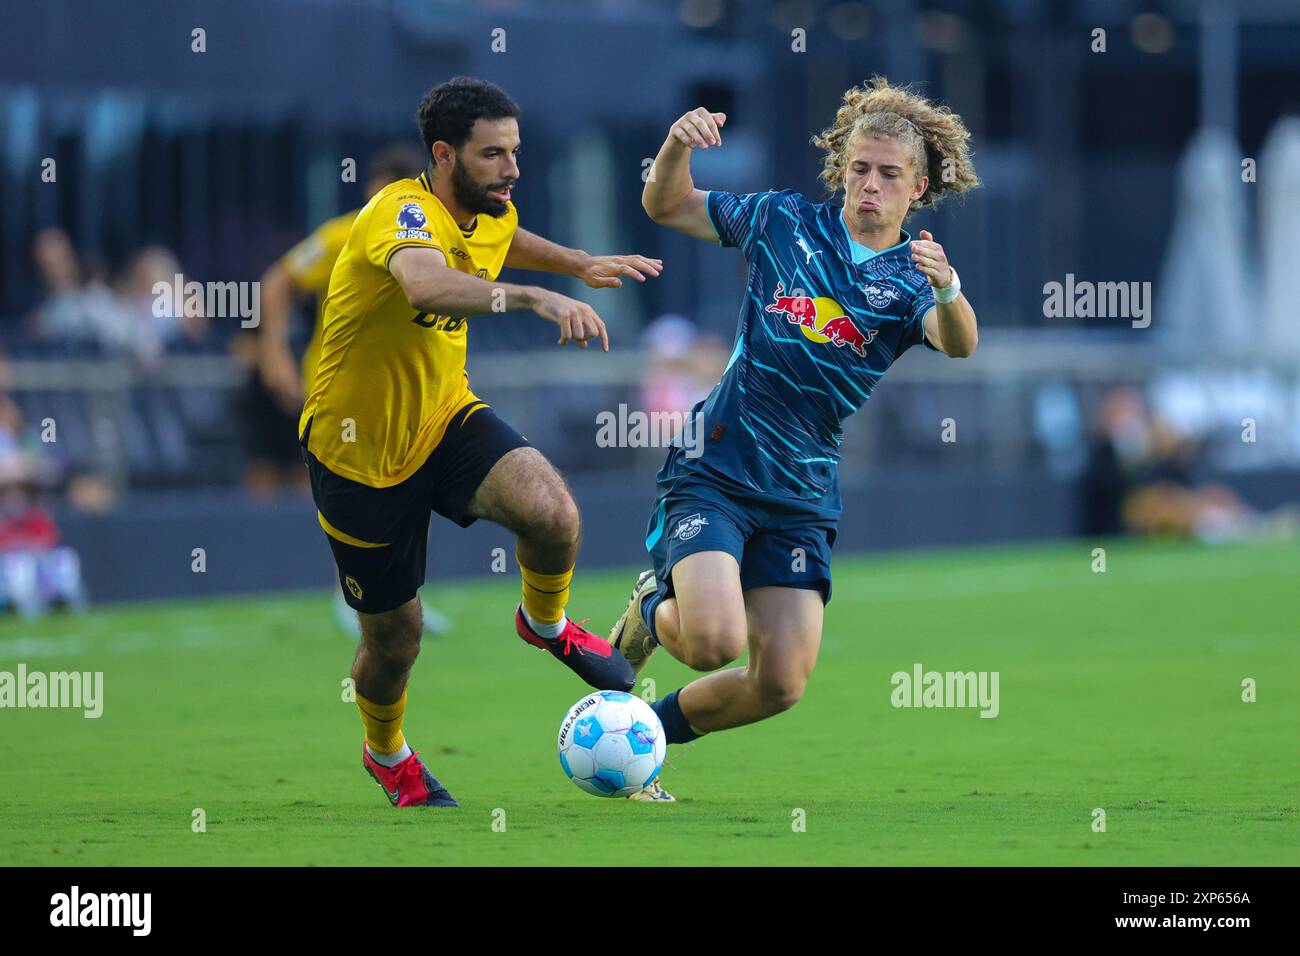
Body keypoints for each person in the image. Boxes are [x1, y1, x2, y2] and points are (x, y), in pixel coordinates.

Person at [608, 77, 981, 801]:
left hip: (803, 491)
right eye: (859, 169)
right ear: (843, 169)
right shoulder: (781, 221)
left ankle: (645, 735)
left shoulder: (915, 280)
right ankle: (654, 602)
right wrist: (676, 147)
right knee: (713, 642)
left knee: (779, 683)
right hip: (717, 463)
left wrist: (947, 287)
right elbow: (665, 204)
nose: (869, 185)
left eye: (888, 175)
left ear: (919, 187)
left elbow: (959, 343)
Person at [299, 76, 662, 807]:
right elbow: (428, 286)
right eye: (493, 154)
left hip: (445, 419)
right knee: (394, 643)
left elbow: (505, 240)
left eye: (516, 151)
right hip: (358, 457)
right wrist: (532, 297)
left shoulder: (488, 208)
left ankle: (545, 622)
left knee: (552, 512)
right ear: (444, 154)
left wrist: (576, 263)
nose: (512, 168)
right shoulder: (399, 211)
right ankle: (387, 751)